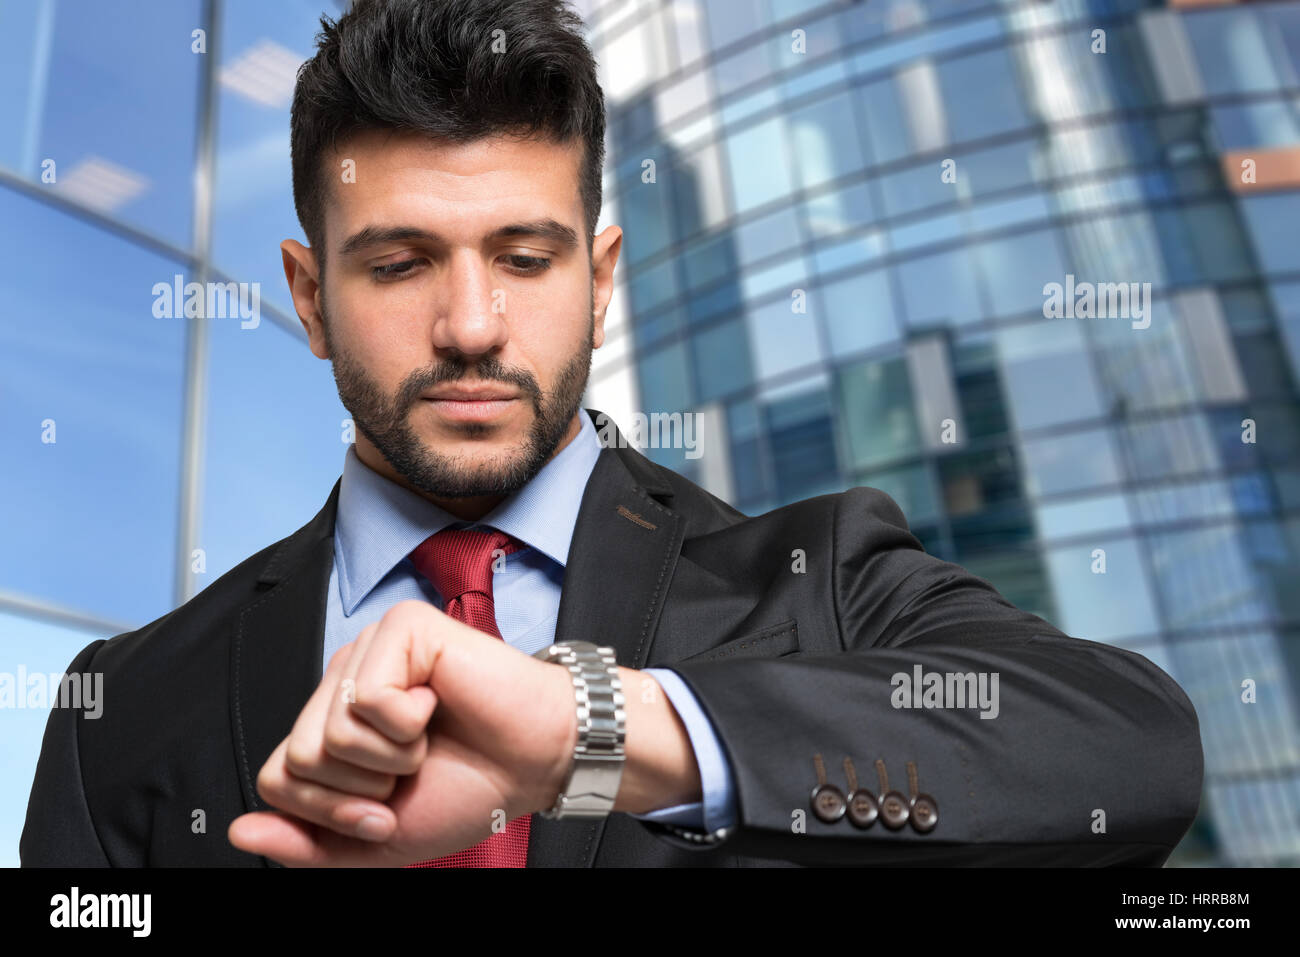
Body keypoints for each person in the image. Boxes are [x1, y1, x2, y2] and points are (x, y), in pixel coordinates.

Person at [21, 0, 1202, 868]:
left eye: (525, 260)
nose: (472, 327)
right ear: (312, 298)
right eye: (399, 264)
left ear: (600, 281)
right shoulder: (118, 708)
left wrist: (602, 735)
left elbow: (1131, 746)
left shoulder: (817, 581)